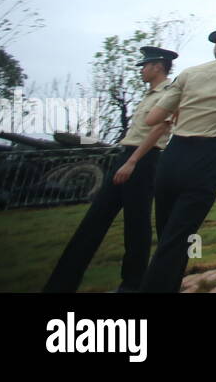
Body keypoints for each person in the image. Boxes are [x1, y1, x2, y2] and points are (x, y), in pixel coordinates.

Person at [138, 23, 216, 293]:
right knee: (178, 238)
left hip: (172, 156)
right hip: (205, 158)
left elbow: (153, 119)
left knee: (167, 235)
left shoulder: (189, 74)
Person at [42, 47, 178, 293]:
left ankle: (133, 284)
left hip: (144, 160)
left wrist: (133, 161)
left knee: (136, 225)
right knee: (94, 219)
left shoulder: (169, 93)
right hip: (127, 155)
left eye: (145, 66)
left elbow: (159, 130)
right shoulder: (149, 95)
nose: (142, 70)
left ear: (158, 66)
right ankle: (61, 284)